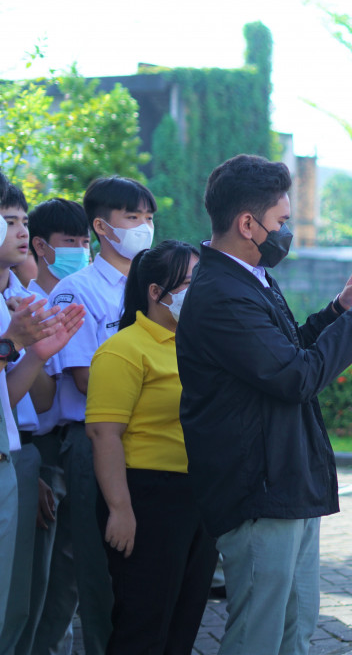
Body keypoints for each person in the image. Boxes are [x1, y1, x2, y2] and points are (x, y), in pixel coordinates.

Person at [178, 154, 352, 655]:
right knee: (259, 634)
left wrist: (340, 308)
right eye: (282, 221)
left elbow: (288, 348)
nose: (285, 232)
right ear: (247, 224)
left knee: (296, 624)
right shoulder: (222, 292)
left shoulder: (248, 278)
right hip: (257, 488)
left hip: (285, 482)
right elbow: (295, 376)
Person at [38, 176, 154, 655]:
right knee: (96, 576)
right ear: (103, 226)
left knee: (143, 572)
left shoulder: (153, 286)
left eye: (149, 218)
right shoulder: (76, 290)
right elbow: (85, 377)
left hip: (148, 439)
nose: (144, 228)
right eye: (133, 218)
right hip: (91, 442)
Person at [87, 241, 219, 654]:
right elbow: (103, 435)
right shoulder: (123, 349)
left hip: (197, 495)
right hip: (146, 496)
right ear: (155, 292)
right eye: (189, 284)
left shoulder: (199, 344)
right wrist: (120, 510)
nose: (199, 292)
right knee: (143, 625)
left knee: (184, 620)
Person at [0, 173, 85, 655]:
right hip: (19, 457)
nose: (17, 232)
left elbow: (28, 400)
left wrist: (35, 354)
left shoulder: (24, 298)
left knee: (25, 606)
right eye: (8, 221)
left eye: (21, 221)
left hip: (20, 457)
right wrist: (15, 342)